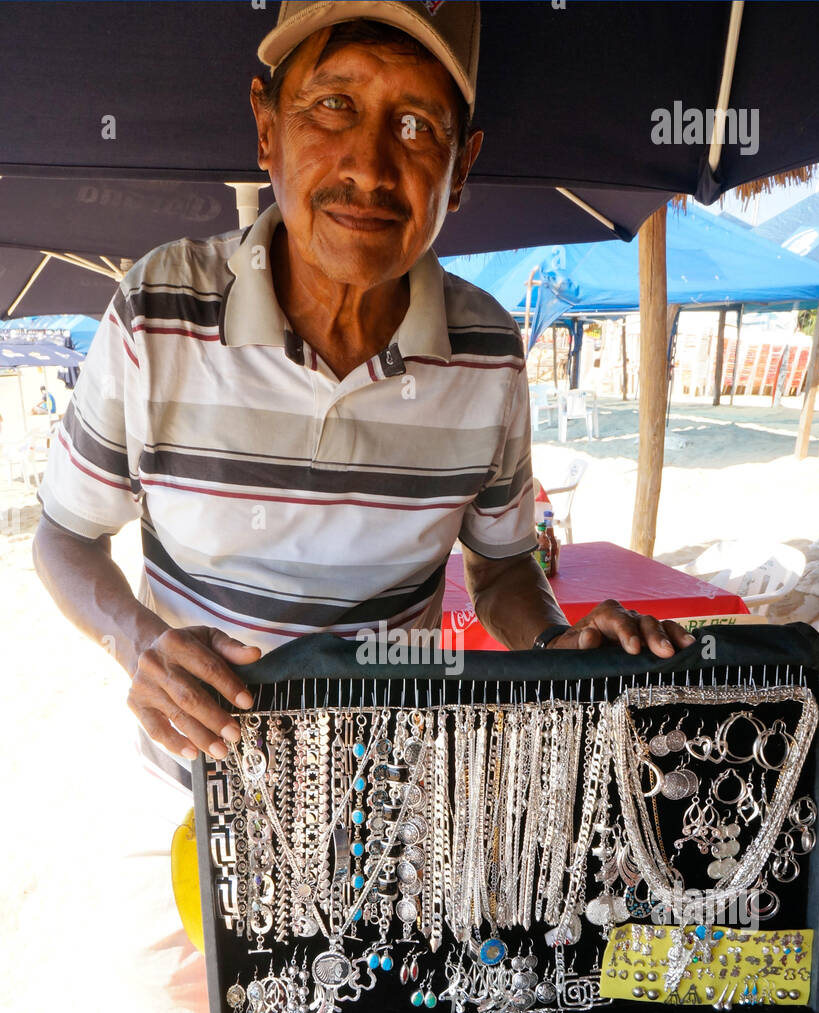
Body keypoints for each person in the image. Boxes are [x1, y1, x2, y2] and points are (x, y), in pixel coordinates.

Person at [33, 0, 693, 788]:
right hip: (194, 779)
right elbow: (65, 537)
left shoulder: (485, 350)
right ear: (267, 127)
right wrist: (140, 643)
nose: (371, 168)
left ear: (462, 169)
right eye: (333, 106)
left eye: (418, 125)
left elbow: (503, 566)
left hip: (390, 784)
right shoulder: (159, 307)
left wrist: (557, 647)